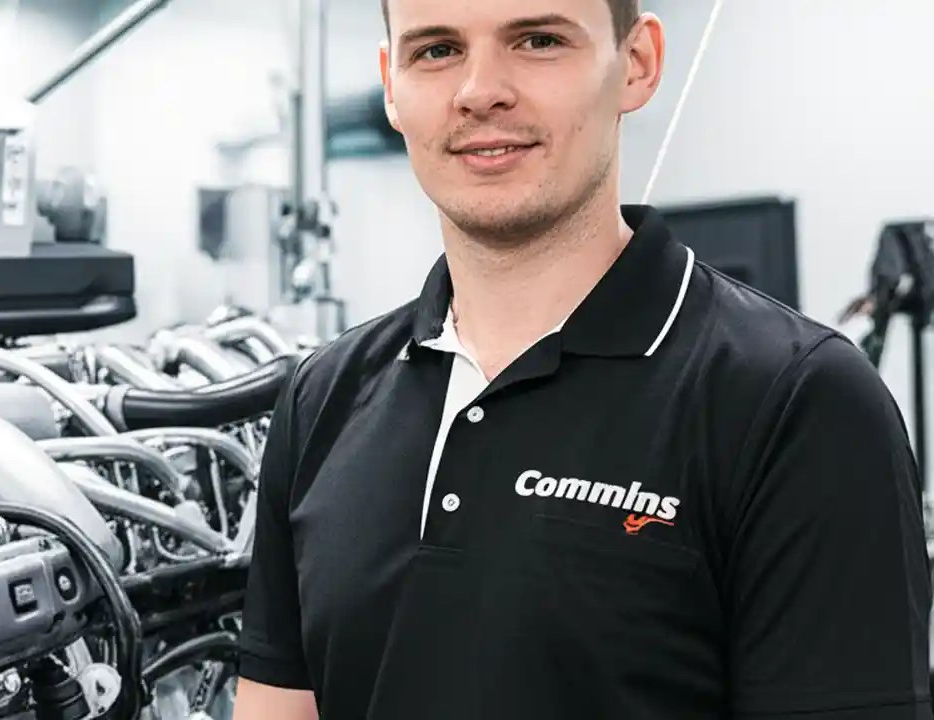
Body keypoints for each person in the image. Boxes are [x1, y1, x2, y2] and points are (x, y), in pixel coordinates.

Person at [232, 0, 934, 717]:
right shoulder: (322, 397)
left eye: (537, 40)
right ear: (391, 85)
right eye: (436, 50)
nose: (479, 90)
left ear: (637, 63)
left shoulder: (798, 401)